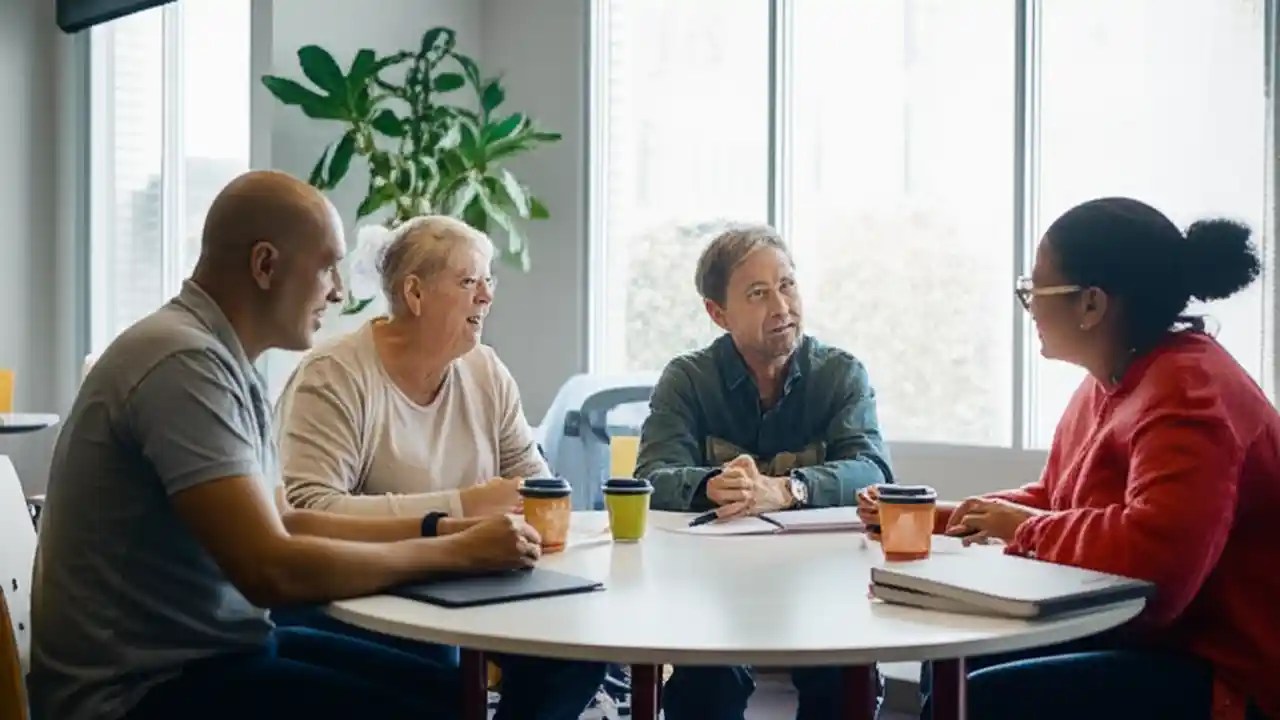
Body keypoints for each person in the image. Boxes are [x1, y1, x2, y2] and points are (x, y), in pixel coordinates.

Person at [26, 171, 586, 720]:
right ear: (265, 265)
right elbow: (271, 571)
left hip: (214, 656)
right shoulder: (183, 365)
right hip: (141, 691)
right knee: (443, 709)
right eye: (327, 268)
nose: (340, 290)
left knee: (450, 695)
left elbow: (287, 520)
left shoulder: (218, 359)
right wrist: (454, 553)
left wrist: (441, 528)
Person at [859, 197, 1280, 720]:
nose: (1030, 304)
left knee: (988, 698)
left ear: (1092, 305)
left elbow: (1158, 563)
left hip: (1219, 672)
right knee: (955, 656)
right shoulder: (1114, 380)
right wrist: (935, 517)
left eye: (1036, 288)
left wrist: (1024, 529)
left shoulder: (1192, 395)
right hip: (1144, 638)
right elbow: (1056, 500)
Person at [271, 214, 607, 712]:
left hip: (473, 578)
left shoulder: (485, 370)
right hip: (364, 590)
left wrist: (544, 512)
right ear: (415, 294)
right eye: (469, 281)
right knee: (440, 679)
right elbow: (309, 512)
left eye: (488, 281)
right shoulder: (334, 376)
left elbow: (534, 484)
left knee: (574, 657)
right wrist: (462, 507)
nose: (487, 297)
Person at [633, 223, 894, 720]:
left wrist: (787, 489)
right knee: (706, 683)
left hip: (822, 579)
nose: (782, 307)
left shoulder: (840, 374)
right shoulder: (688, 379)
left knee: (842, 676)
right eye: (758, 293)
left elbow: (873, 470)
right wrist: (710, 484)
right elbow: (651, 478)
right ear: (717, 313)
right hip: (710, 586)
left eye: (788, 285)